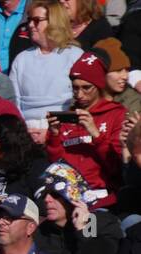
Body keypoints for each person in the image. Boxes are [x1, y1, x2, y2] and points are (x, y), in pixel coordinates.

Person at [46, 51, 127, 207]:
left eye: (86, 88)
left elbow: (117, 167)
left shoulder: (116, 114)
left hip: (102, 196)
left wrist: (96, 134)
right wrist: (54, 136)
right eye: (75, 88)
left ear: (98, 86)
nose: (79, 94)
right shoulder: (66, 116)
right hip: (66, 196)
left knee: (92, 227)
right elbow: (55, 165)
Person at [10, 0, 83, 123]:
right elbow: (14, 101)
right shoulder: (21, 59)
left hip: (63, 125)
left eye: (37, 20)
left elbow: (80, 100)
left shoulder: (75, 56)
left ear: (54, 21)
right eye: (30, 20)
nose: (31, 25)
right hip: (28, 129)